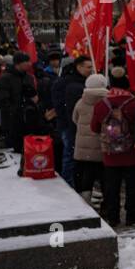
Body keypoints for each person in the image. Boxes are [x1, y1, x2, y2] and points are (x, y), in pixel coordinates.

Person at [89, 67, 135, 227]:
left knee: (112, 187)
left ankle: (113, 216)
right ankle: (132, 216)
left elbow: (94, 128)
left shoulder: (101, 104)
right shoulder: (134, 103)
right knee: (133, 186)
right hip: (131, 153)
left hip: (110, 154)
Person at [52, 55, 91, 186]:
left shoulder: (73, 80)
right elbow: (63, 106)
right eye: (88, 67)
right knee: (70, 153)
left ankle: (76, 182)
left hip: (72, 124)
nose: (90, 70)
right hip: (69, 125)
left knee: (72, 154)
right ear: (78, 67)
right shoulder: (70, 83)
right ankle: (69, 183)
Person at [70, 72, 107, 201]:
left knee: (86, 173)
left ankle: (85, 199)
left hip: (83, 146)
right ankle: (107, 202)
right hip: (101, 145)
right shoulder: (107, 101)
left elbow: (74, 119)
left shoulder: (81, 101)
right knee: (104, 174)